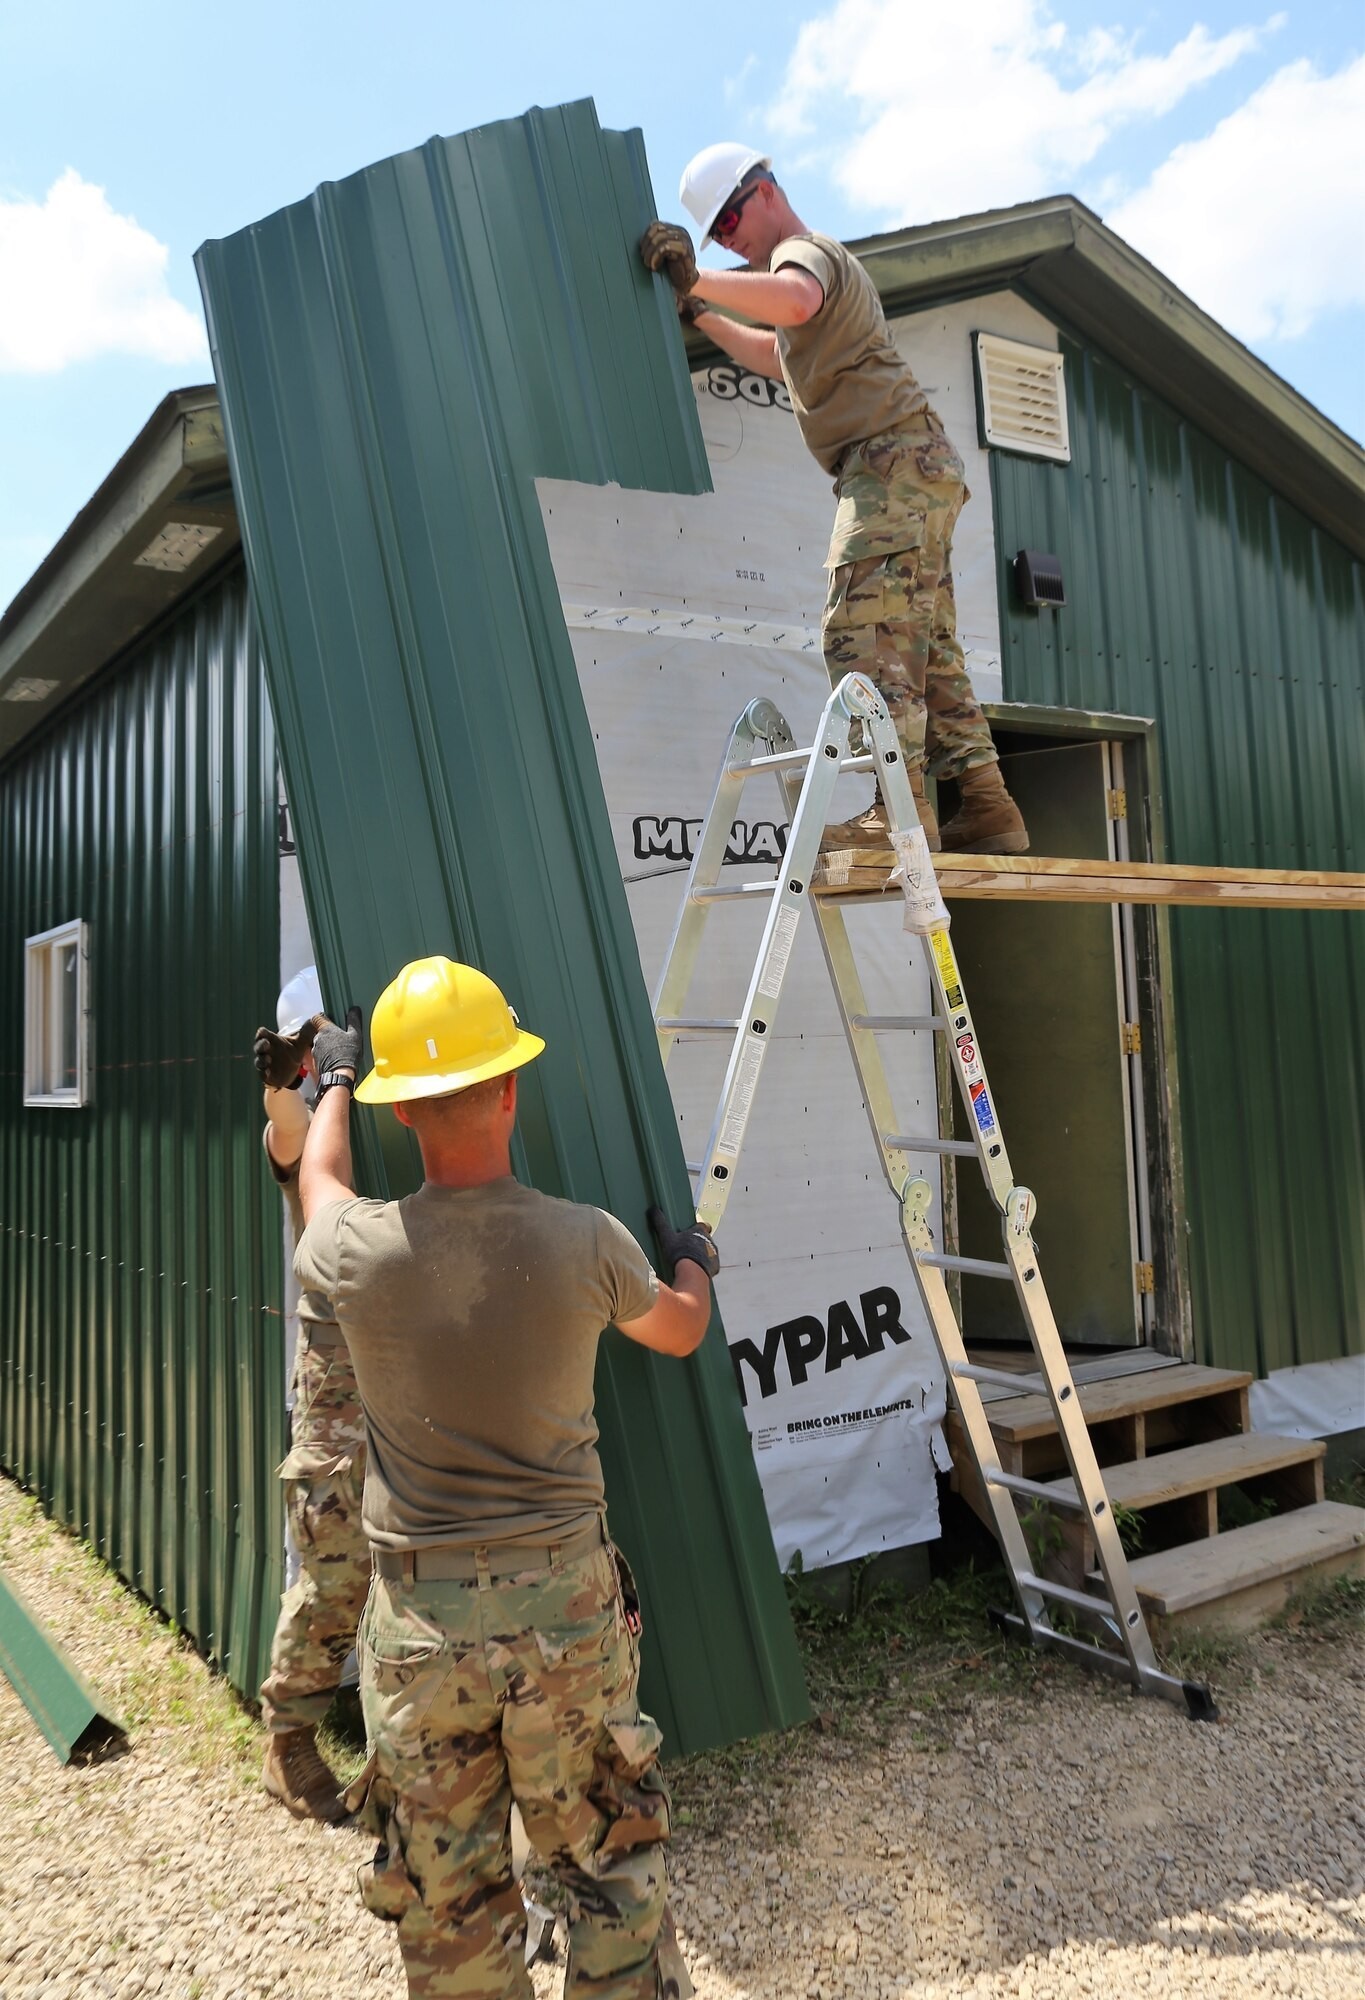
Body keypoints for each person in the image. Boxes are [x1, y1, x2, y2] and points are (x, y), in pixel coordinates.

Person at [283, 955, 708, 1998]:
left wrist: (331, 1075)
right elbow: (683, 1331)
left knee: (449, 1900)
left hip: (418, 1630)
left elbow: (316, 1180)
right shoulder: (588, 1242)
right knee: (606, 1864)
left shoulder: (356, 1252)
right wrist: (691, 1255)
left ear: (399, 1114)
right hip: (565, 1611)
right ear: (511, 1088)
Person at [639, 144, 1029, 872]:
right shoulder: (792, 283)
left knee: (862, 631)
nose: (729, 236)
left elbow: (793, 301)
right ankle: (987, 805)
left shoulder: (803, 252)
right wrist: (702, 309)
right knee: (926, 645)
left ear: (765, 190)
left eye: (730, 216)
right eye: (717, 232)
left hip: (890, 463)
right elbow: (774, 349)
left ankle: (898, 818)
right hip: (914, 464)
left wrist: (700, 277)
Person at [252, 966, 370, 1824]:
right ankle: (287, 1738)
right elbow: (287, 1140)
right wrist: (285, 1087)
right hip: (340, 1373)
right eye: (315, 1038)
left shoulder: (386, 1091)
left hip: (414, 1352)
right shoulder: (309, 1105)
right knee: (334, 1563)